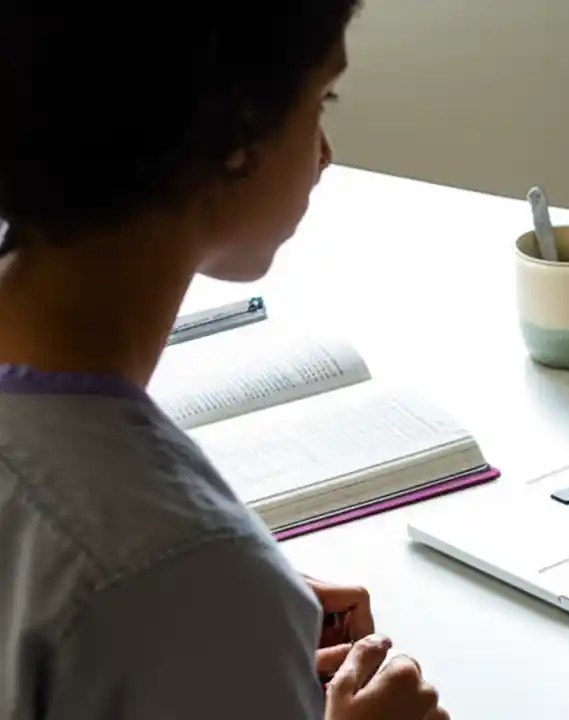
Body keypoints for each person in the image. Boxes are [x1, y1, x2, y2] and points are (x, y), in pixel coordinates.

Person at [0, 2, 447, 718]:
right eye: (319, 103)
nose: (325, 154)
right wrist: (213, 607)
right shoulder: (180, 578)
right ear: (236, 135)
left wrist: (220, 641)